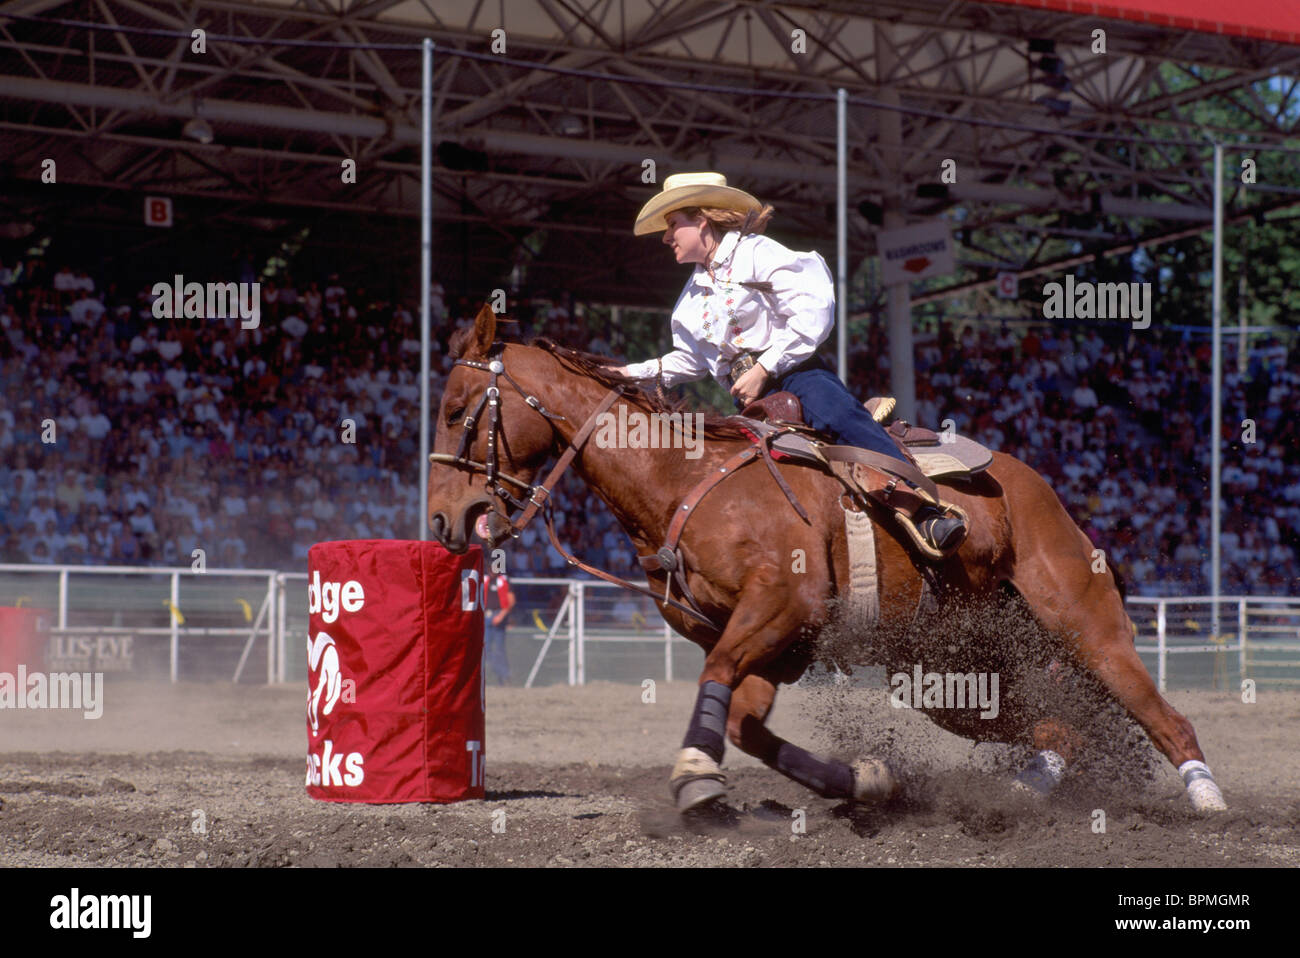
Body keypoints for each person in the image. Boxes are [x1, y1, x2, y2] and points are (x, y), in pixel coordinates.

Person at [615, 171, 966, 554]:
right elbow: (690, 360)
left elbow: (813, 310)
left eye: (673, 225)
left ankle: (926, 508)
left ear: (701, 220)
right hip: (746, 399)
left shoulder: (756, 253)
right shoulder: (689, 299)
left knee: (836, 415)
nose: (666, 237)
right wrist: (629, 374)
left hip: (796, 374)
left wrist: (763, 369)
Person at [483, 569, 515, 686]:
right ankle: (501, 674)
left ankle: (504, 675)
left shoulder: (504, 581)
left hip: (498, 615)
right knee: (486, 649)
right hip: (486, 616)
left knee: (499, 649)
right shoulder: (484, 580)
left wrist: (501, 616)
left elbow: (511, 600)